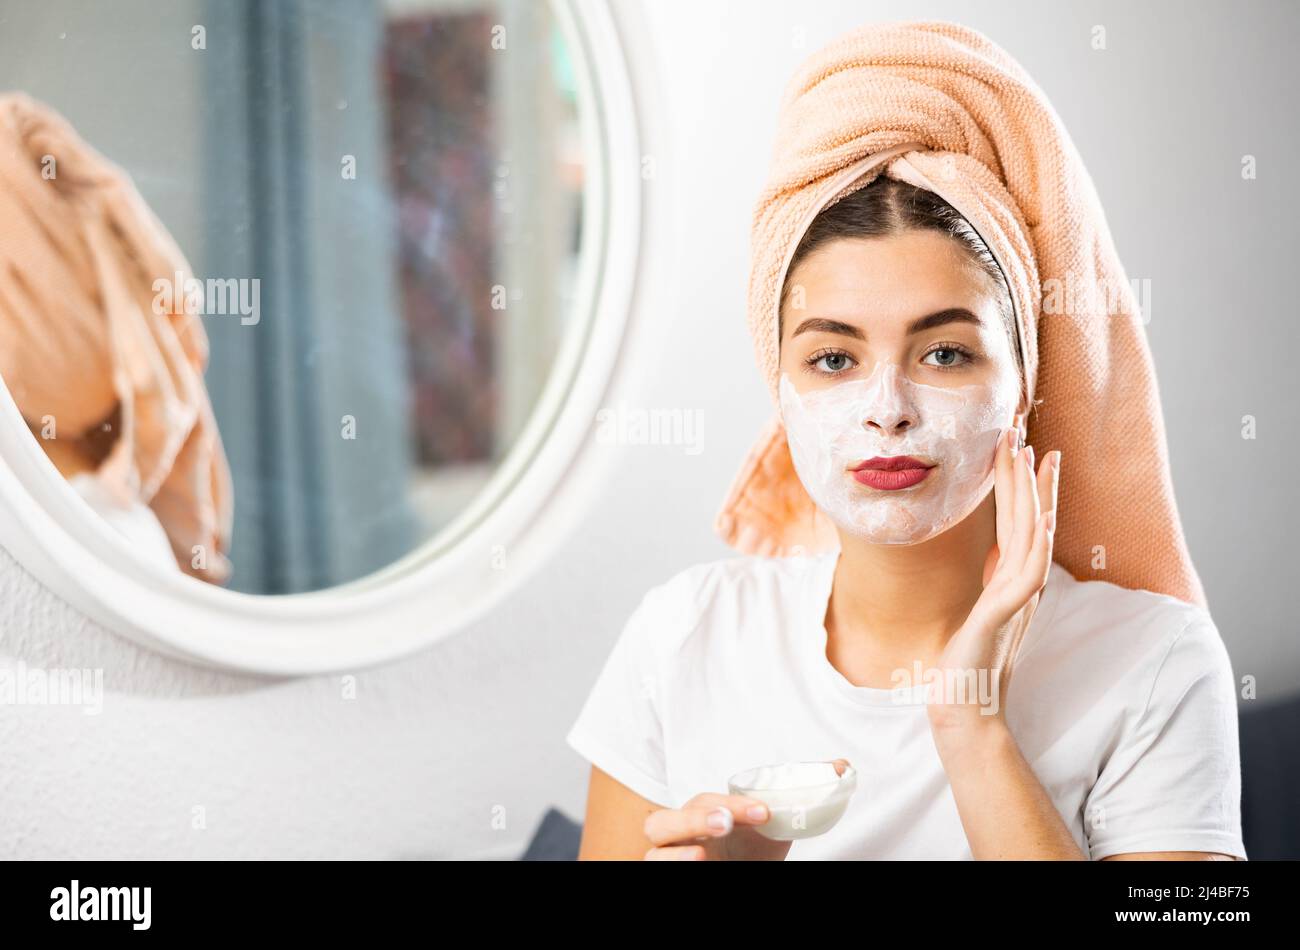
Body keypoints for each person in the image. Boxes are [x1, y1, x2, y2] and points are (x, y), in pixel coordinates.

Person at [564, 21, 1245, 861]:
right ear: (779, 387)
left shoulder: (1156, 663)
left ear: (1024, 385)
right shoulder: (682, 638)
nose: (887, 408)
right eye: (833, 357)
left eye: (946, 352)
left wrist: (970, 723)